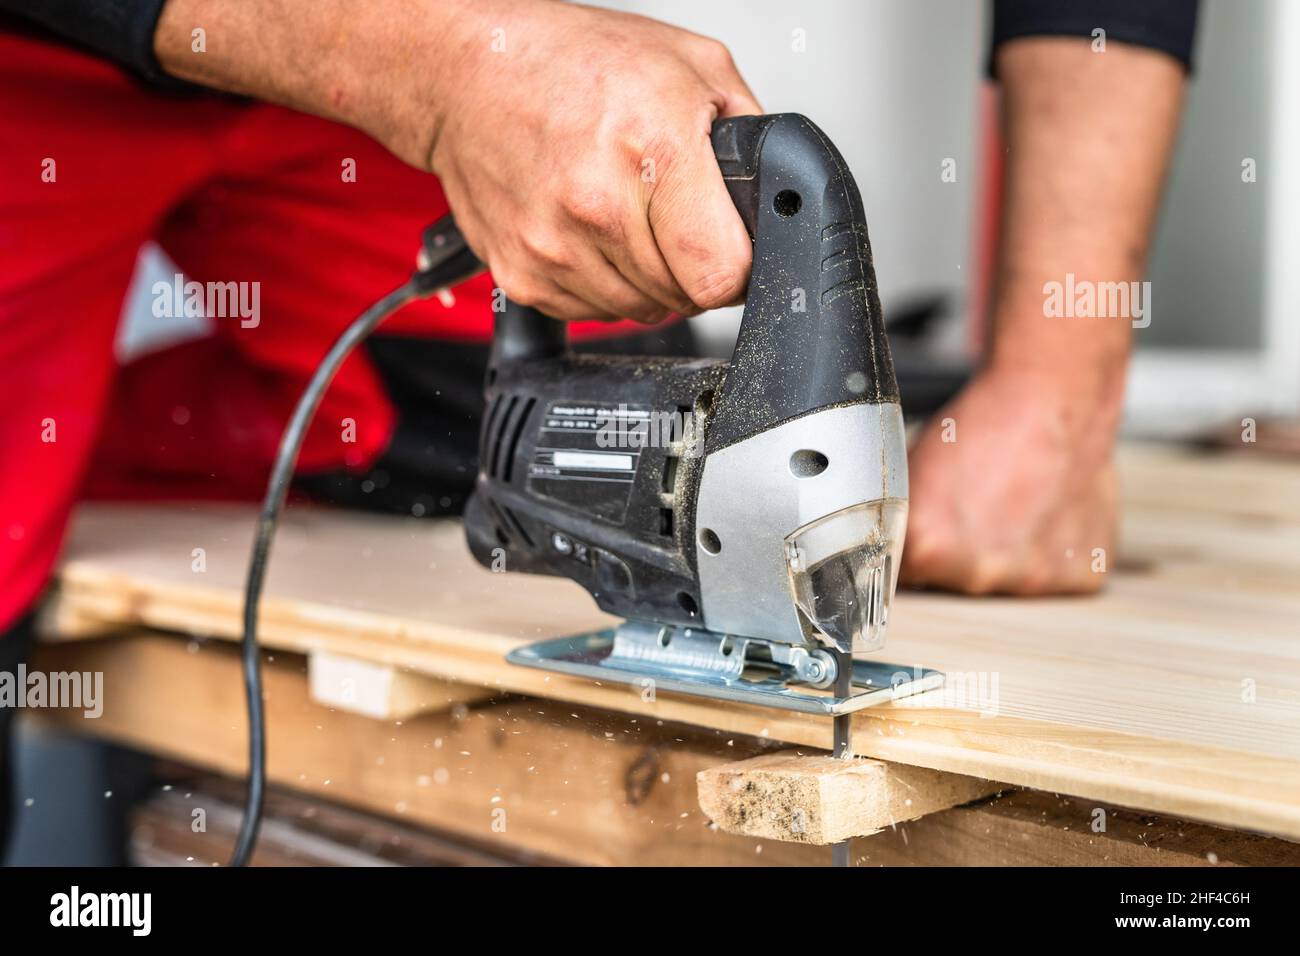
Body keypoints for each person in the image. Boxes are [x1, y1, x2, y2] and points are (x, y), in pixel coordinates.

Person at [0, 0, 1198, 860]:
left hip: (371, 60)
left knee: (494, 390)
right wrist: (449, 57)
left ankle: (93, 426)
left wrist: (1054, 384)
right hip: (49, 59)